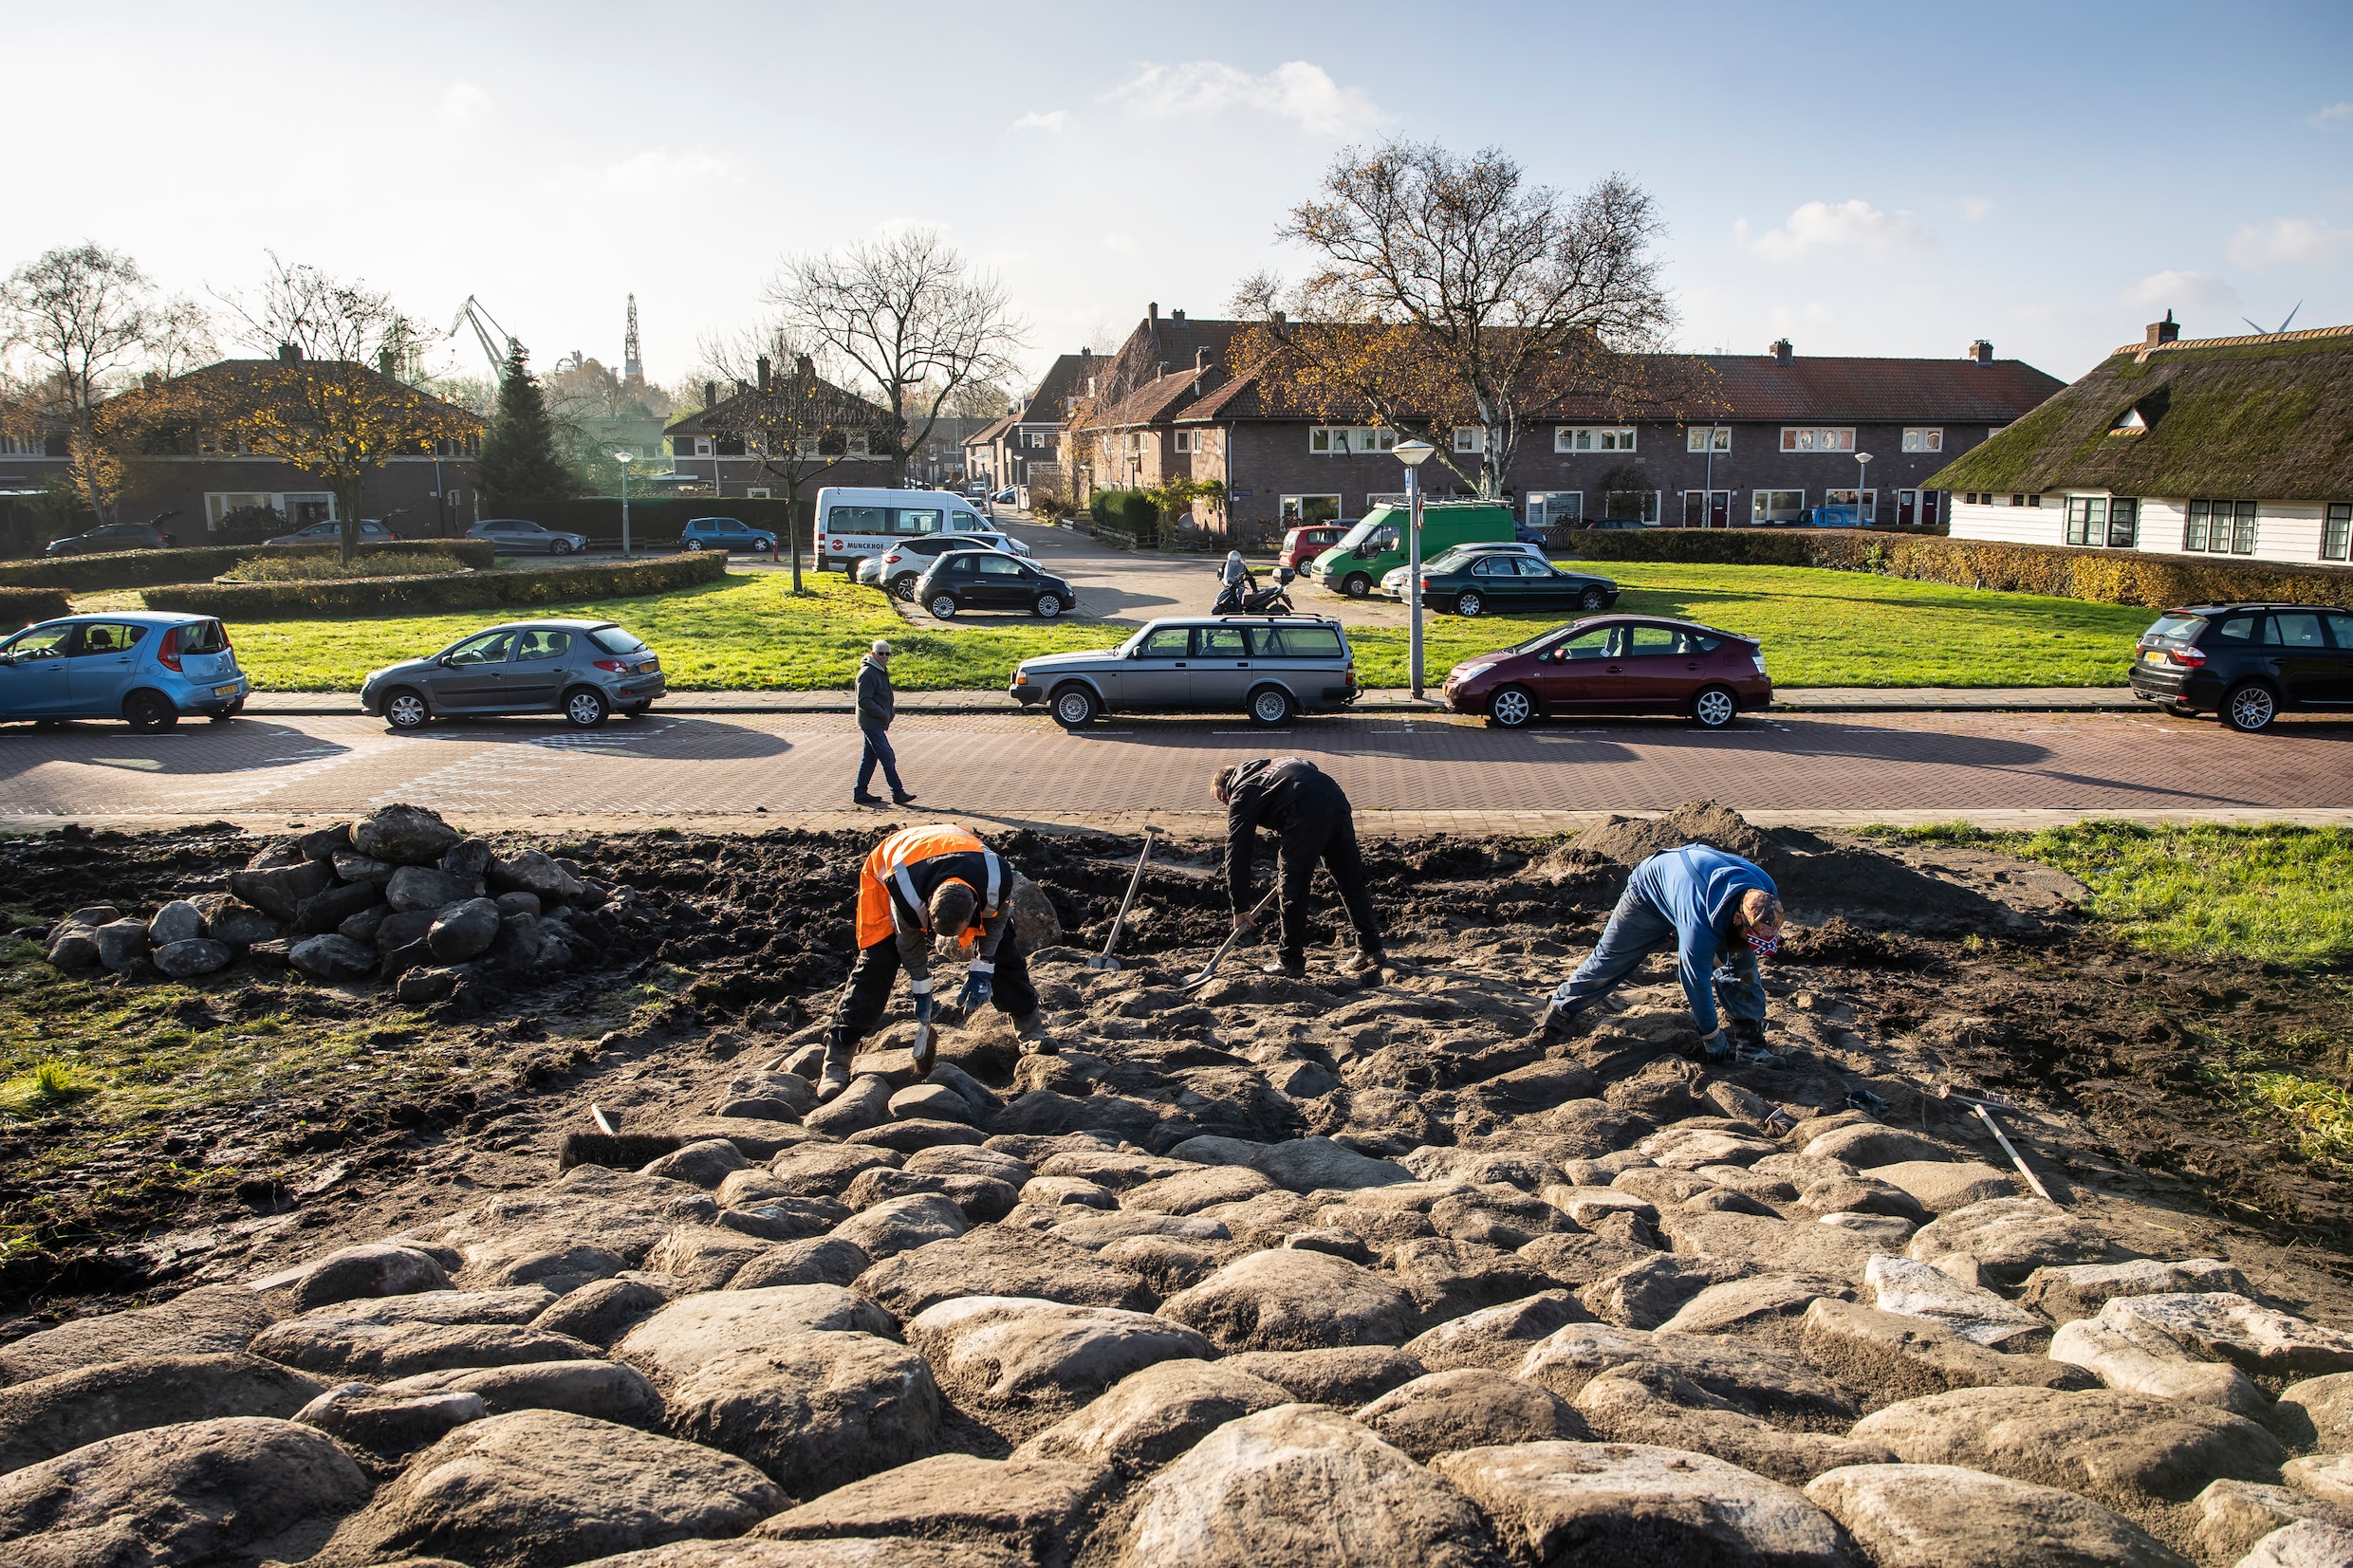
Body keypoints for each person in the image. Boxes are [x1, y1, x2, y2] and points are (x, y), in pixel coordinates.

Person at [819, 822, 1046, 1098]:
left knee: (1005, 951)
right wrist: (921, 990)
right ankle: (837, 1060)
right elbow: (909, 943)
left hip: (960, 849)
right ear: (928, 906)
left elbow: (995, 924)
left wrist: (983, 965)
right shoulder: (906, 893)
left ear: (974, 908)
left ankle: (1030, 1030)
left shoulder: (997, 880)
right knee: (877, 961)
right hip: (891, 863)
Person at [1534, 843, 1784, 1060]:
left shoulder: (1766, 889)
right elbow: (1694, 980)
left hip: (1695, 883)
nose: (1753, 943)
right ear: (1739, 919)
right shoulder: (1698, 919)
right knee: (1610, 962)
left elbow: (1746, 951)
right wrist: (1710, 1034)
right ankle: (1557, 1016)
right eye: (1750, 936)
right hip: (1649, 893)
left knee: (1741, 965)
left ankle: (1752, 1045)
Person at [1216, 757, 1384, 979]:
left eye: (1222, 799)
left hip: (1304, 813)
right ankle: (1371, 948)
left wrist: (1239, 906)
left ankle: (1290, 960)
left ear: (1226, 785)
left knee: (1292, 888)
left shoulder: (1242, 790)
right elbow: (1307, 771)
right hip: (1335, 801)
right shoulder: (1279, 763)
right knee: (1350, 880)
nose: (1226, 805)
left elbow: (1238, 849)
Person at [852, 639, 916, 807]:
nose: (885, 657)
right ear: (873, 654)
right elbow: (863, 700)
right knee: (887, 756)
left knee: (870, 758)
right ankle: (898, 792)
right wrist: (882, 713)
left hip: (876, 722)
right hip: (871, 723)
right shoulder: (868, 673)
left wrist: (889, 712)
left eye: (888, 653)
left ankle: (860, 792)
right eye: (881, 653)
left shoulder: (879, 670)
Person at [1213, 549, 1252, 614]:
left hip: (1239, 586)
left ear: (1239, 560)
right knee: (1222, 594)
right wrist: (1221, 578)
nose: (1234, 563)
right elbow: (1222, 572)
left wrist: (1254, 588)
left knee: (1238, 596)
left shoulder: (1242, 566)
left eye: (1235, 561)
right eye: (1232, 561)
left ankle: (1238, 610)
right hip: (1229, 585)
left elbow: (1250, 577)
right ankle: (1218, 604)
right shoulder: (1225, 565)